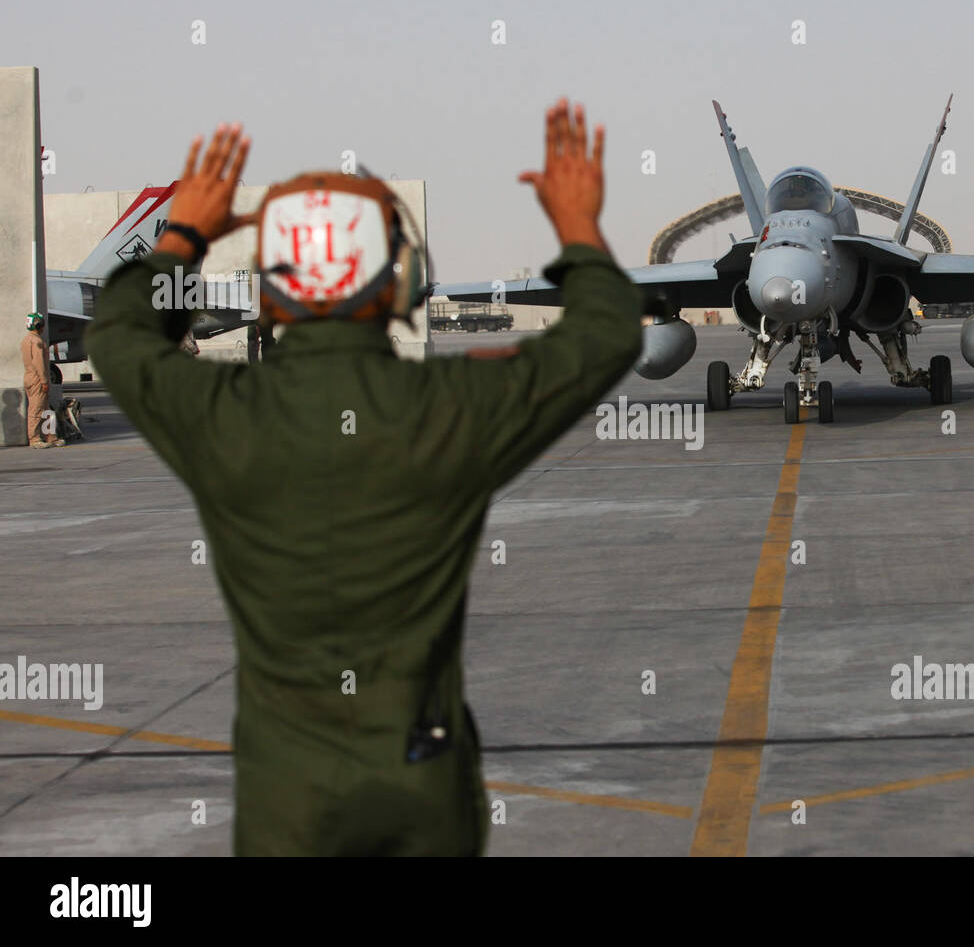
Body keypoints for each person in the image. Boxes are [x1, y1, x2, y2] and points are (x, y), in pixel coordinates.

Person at [85, 101, 642, 856]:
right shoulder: (449, 410)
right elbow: (606, 333)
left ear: (269, 290)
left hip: (288, 806)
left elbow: (116, 331)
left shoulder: (221, 415)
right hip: (422, 794)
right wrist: (577, 221)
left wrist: (181, 236)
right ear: (403, 278)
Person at [21, 311, 65, 448]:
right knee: (36, 409)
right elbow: (39, 363)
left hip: (30, 377)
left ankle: (50, 437)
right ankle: (34, 439)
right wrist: (44, 380)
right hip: (37, 379)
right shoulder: (37, 341)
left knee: (46, 410)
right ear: (38, 325)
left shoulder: (26, 340)